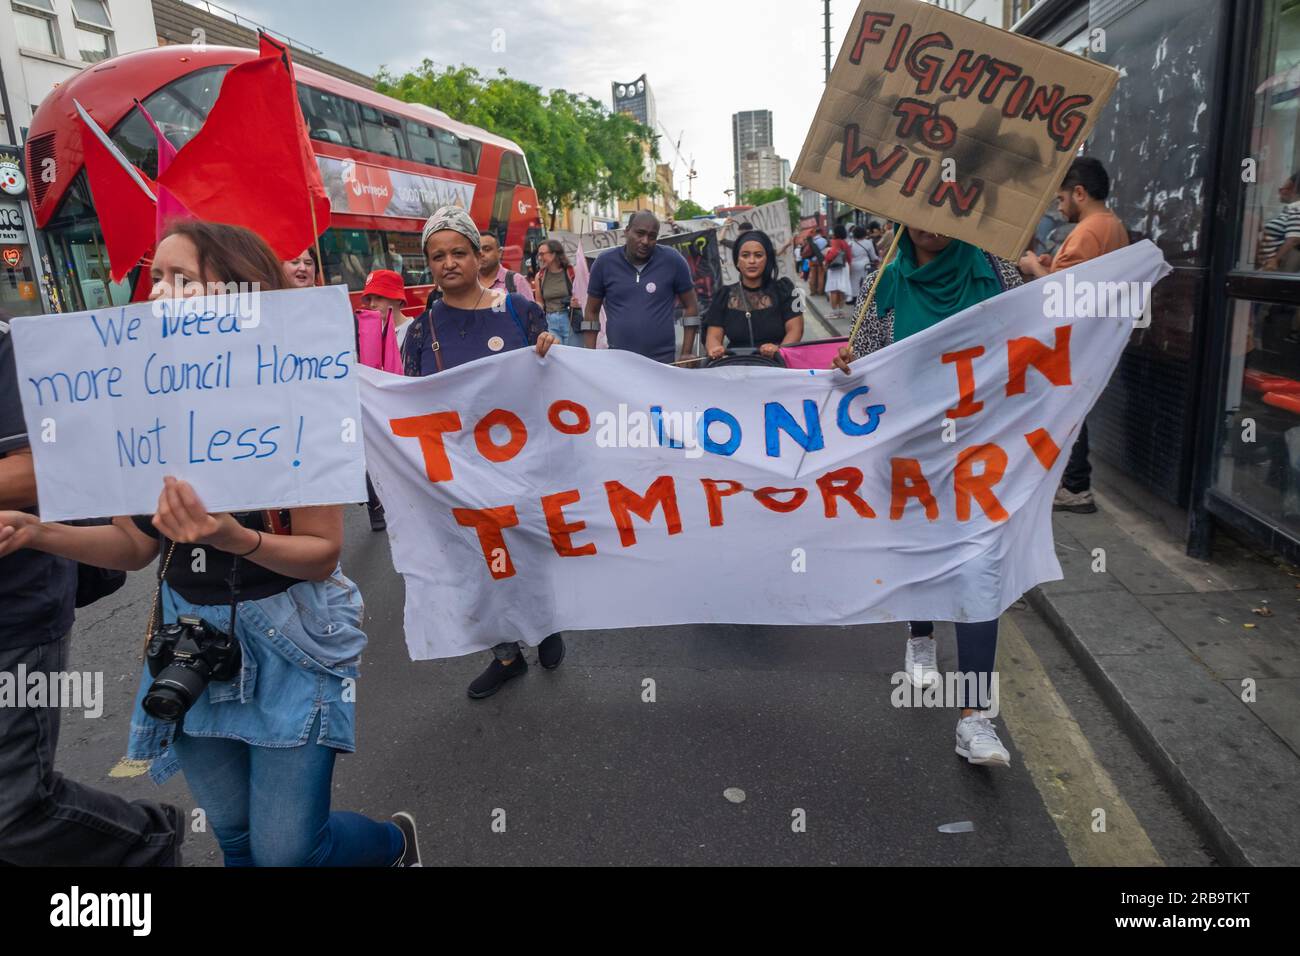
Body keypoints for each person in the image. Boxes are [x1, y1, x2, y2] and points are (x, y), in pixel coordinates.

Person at [0, 221, 422, 866]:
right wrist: (38, 531)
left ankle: (392, 846)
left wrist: (237, 537)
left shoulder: (295, 392)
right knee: (236, 838)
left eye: (182, 278)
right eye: (156, 277)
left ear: (237, 289)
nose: (161, 292)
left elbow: (322, 553)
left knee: (288, 854)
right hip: (190, 642)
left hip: (291, 642)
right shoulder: (143, 406)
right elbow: (133, 548)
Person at [833, 227, 1023, 768]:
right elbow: (864, 364)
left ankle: (975, 719)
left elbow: (1025, 340)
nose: (930, 225)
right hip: (910, 449)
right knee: (920, 554)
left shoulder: (994, 268)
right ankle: (919, 636)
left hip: (980, 447)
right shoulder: (883, 282)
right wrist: (848, 361)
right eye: (918, 214)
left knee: (979, 568)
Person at [0, 313, 184, 866]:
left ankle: (146, 841)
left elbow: (38, 468)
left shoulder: (11, 349)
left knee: (13, 809)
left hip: (14, 613)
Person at [402, 205, 564, 699]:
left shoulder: (517, 311)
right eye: (437, 256)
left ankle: (547, 625)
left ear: (478, 256)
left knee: (529, 550)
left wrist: (550, 353)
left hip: (521, 464)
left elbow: (551, 384)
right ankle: (506, 653)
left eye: (458, 252)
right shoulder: (420, 331)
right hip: (459, 472)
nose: (448, 263)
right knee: (479, 563)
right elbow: (410, 400)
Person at [1018, 157, 1130, 515]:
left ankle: (1075, 487)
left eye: (1061, 199)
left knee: (1068, 409)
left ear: (1079, 192)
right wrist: (1055, 265)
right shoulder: (1111, 226)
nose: (1060, 206)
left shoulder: (1087, 230)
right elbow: (1081, 279)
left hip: (1078, 341)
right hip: (1095, 335)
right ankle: (1071, 482)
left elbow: (1067, 291)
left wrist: (1034, 266)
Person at [582, 211, 700, 363]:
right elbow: (591, 311)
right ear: (626, 231)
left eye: (652, 236)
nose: (645, 241)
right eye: (640, 233)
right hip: (619, 362)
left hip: (662, 362)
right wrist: (589, 357)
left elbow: (691, 306)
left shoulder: (673, 261)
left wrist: (686, 353)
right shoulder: (604, 263)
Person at [356, 269, 410, 532]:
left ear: (397, 299)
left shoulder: (415, 330)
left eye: (379, 297)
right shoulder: (365, 335)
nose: (372, 304)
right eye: (369, 298)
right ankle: (376, 502)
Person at [704, 230, 804, 360]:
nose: (752, 261)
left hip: (777, 366)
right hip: (737, 367)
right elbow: (713, 336)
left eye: (758, 255)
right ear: (737, 261)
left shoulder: (785, 290)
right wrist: (714, 349)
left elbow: (796, 330)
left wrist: (780, 351)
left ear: (767, 259)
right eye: (745, 255)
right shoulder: (723, 295)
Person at [532, 238, 582, 347]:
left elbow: (583, 296)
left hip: (570, 319)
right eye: (538, 255)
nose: (539, 258)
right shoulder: (539, 276)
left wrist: (578, 302)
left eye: (542, 254)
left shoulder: (571, 271)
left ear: (554, 254)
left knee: (574, 354)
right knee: (556, 355)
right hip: (550, 321)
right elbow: (539, 301)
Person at [478, 231, 536, 303]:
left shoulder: (516, 281)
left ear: (500, 253)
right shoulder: (467, 283)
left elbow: (531, 313)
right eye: (477, 250)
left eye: (487, 249)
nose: (481, 254)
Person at [823, 224, 854, 319]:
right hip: (844, 267)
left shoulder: (835, 241)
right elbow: (849, 256)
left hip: (835, 268)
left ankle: (834, 312)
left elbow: (833, 252)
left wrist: (826, 260)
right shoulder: (845, 242)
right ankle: (840, 311)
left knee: (834, 289)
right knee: (841, 290)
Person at [848, 224, 880, 303]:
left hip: (853, 265)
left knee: (854, 281)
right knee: (865, 281)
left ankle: (855, 297)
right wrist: (877, 260)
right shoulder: (868, 243)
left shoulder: (850, 243)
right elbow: (873, 256)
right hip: (865, 265)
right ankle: (864, 299)